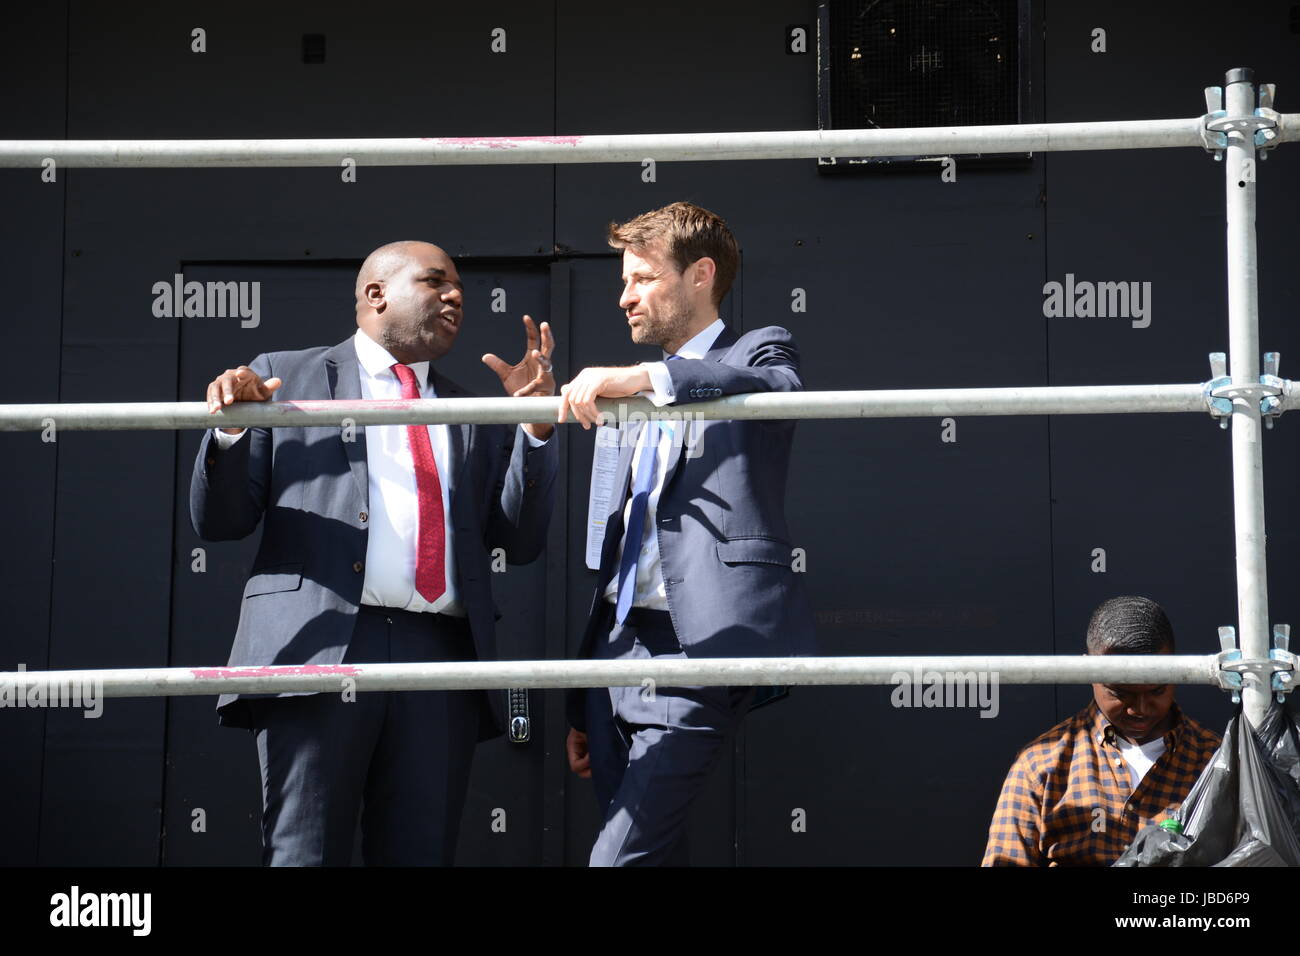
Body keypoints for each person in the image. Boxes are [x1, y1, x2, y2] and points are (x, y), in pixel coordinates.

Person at [190, 240, 558, 866]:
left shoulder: (473, 408)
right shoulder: (286, 377)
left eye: (461, 292)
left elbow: (518, 541)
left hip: (439, 659)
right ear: (375, 295)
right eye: (436, 282)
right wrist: (232, 427)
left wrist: (535, 430)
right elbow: (219, 520)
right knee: (306, 853)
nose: (454, 298)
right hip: (321, 646)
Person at [559, 201, 817, 866]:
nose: (624, 298)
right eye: (623, 281)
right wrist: (584, 699)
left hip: (696, 649)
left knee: (614, 861)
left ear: (700, 274)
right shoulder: (633, 394)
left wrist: (651, 378)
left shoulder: (755, 347)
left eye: (642, 278)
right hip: (614, 659)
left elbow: (777, 385)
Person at [982, 595, 1222, 866]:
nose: (1140, 708)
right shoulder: (1041, 765)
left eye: (1157, 690)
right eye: (1121, 693)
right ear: (1088, 670)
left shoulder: (1215, 763)